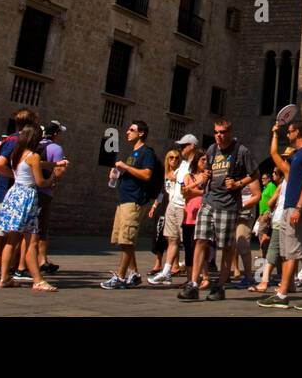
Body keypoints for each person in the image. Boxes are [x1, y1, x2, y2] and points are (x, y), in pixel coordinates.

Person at [178, 117, 258, 301]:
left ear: (230, 132)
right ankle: (194, 284)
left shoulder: (241, 151)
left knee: (226, 246)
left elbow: (254, 174)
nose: (219, 136)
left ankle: (220, 286)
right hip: (209, 201)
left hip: (228, 205)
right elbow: (209, 170)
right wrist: (206, 175)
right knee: (200, 240)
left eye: (222, 132)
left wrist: (238, 183)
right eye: (216, 132)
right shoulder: (212, 149)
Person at [258, 118, 302, 310]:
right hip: (290, 209)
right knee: (291, 254)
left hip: (299, 210)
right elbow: (274, 154)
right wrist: (274, 134)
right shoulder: (296, 156)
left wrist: (298, 207)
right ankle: (282, 294)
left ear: (297, 132)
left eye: (289, 132)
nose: (287, 135)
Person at [0, 125, 67, 291]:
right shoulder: (33, 156)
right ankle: (38, 280)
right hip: (27, 197)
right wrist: (53, 178)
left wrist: (55, 164)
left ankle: (4, 277)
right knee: (32, 241)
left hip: (14, 194)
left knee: (11, 240)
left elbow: (40, 164)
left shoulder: (16, 154)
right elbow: (40, 181)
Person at [0, 108, 38, 283]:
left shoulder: (14, 140)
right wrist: (16, 175)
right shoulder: (15, 141)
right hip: (2, 192)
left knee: (4, 233)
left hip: (5, 192)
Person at [101, 120, 157, 290]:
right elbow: (134, 175)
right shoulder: (132, 154)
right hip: (124, 200)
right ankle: (134, 273)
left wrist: (125, 166)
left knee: (127, 238)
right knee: (123, 240)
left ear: (141, 133)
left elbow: (147, 174)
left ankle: (120, 277)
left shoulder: (146, 152)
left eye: (131, 130)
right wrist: (119, 175)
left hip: (134, 201)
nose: (127, 132)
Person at [33, 120, 66, 274]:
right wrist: (51, 182)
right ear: (56, 134)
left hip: (28, 190)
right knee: (41, 228)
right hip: (44, 192)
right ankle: (40, 261)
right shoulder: (55, 148)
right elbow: (59, 170)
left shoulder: (34, 145)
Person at [148, 148, 183, 284]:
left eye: (176, 158)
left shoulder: (180, 174)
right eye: (171, 157)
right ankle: (158, 264)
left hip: (175, 206)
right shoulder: (164, 174)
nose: (174, 160)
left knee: (173, 237)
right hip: (163, 206)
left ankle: (174, 265)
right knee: (159, 235)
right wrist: (154, 206)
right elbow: (161, 193)